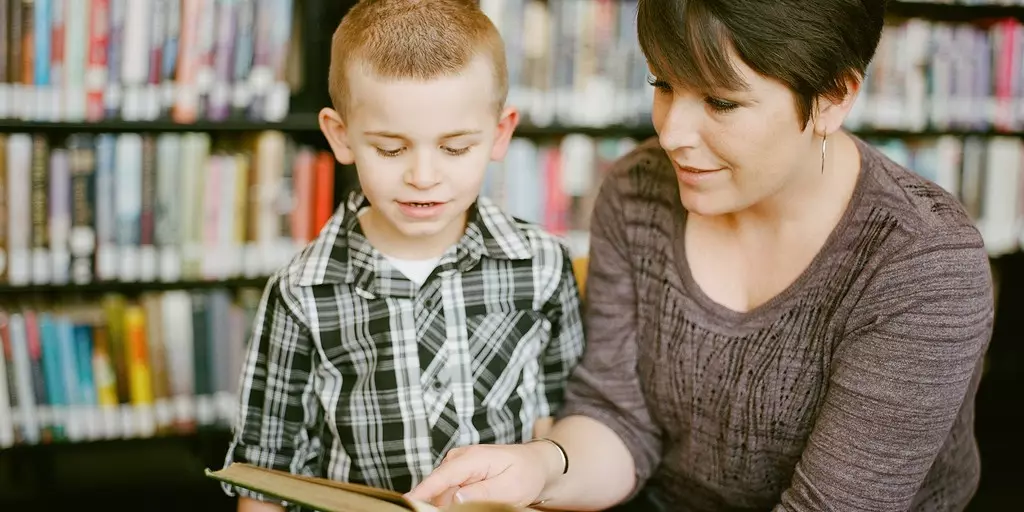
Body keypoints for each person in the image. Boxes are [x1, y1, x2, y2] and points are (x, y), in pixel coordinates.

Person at [406, 0, 995, 511]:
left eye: (720, 102)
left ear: (832, 98)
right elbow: (618, 418)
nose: (670, 133)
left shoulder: (921, 262)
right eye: (663, 84)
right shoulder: (638, 191)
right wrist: (541, 467)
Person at [221, 1, 585, 511]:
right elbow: (266, 472)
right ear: (341, 136)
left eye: (455, 147)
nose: (423, 176)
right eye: (391, 149)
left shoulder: (542, 264)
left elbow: (562, 417)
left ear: (500, 133)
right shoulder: (302, 292)